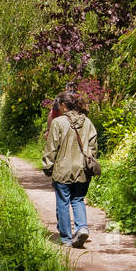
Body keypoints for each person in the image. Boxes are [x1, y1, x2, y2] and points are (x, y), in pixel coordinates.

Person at [41, 91, 98, 247]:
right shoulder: (88, 122)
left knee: (63, 202)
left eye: (58, 105)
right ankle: (82, 228)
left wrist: (47, 165)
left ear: (64, 105)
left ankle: (66, 238)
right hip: (83, 170)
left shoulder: (58, 122)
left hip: (62, 170)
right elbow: (93, 147)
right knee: (78, 199)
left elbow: (52, 147)